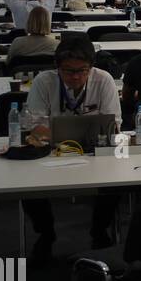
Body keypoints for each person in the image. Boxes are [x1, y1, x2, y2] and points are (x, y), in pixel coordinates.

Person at [20, 37, 123, 262]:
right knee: (25, 185)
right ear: (57, 68)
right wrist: (58, 138)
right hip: (51, 151)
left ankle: (99, 230)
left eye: (82, 70)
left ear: (91, 67)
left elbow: (114, 123)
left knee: (117, 181)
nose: (76, 76)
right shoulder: (43, 82)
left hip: (94, 149)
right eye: (68, 71)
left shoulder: (103, 80)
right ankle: (45, 233)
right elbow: (33, 126)